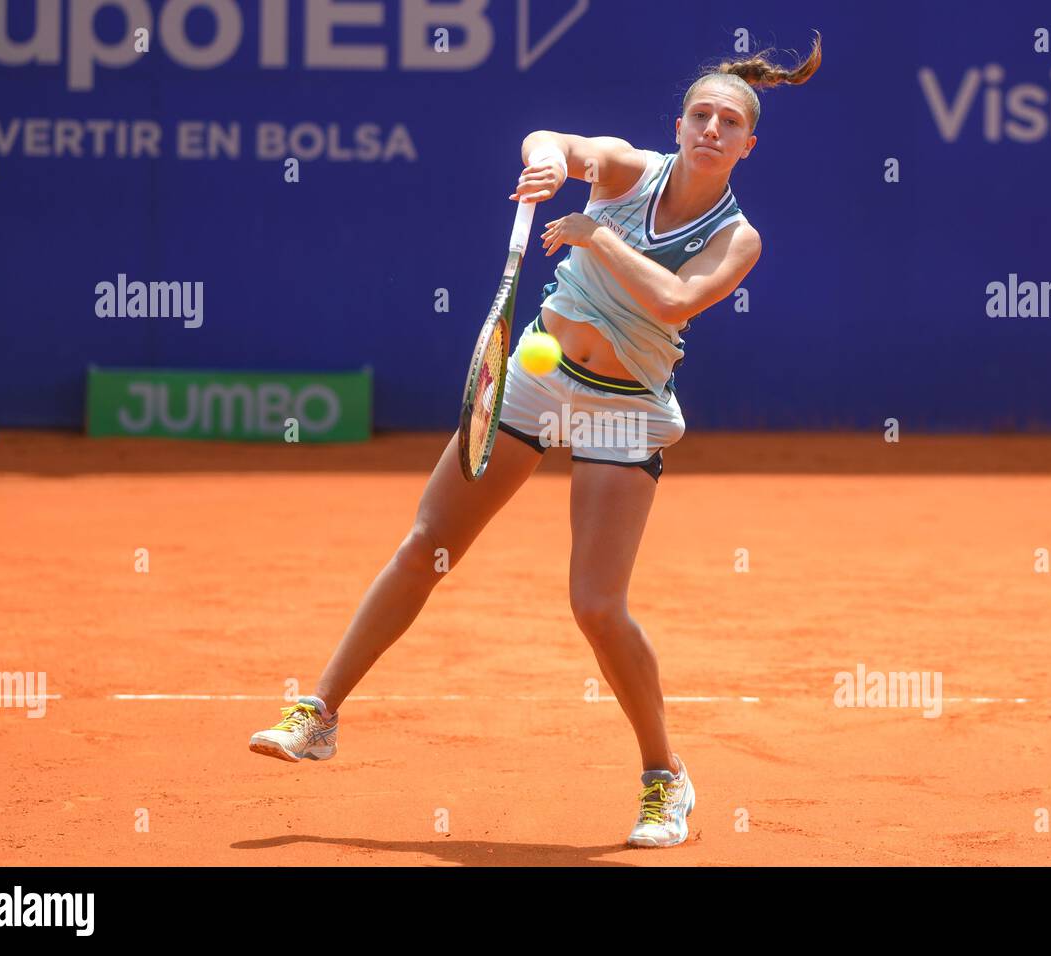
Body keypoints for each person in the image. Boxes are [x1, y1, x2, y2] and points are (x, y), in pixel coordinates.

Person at [250, 36, 822, 849]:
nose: (711, 128)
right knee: (427, 545)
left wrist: (594, 233)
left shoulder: (740, 238)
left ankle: (666, 776)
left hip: (624, 407)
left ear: (747, 145)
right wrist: (549, 160)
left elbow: (672, 302)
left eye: (729, 122)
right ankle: (319, 712)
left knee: (595, 605)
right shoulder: (628, 169)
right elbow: (555, 138)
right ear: (680, 122)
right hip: (537, 380)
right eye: (700, 114)